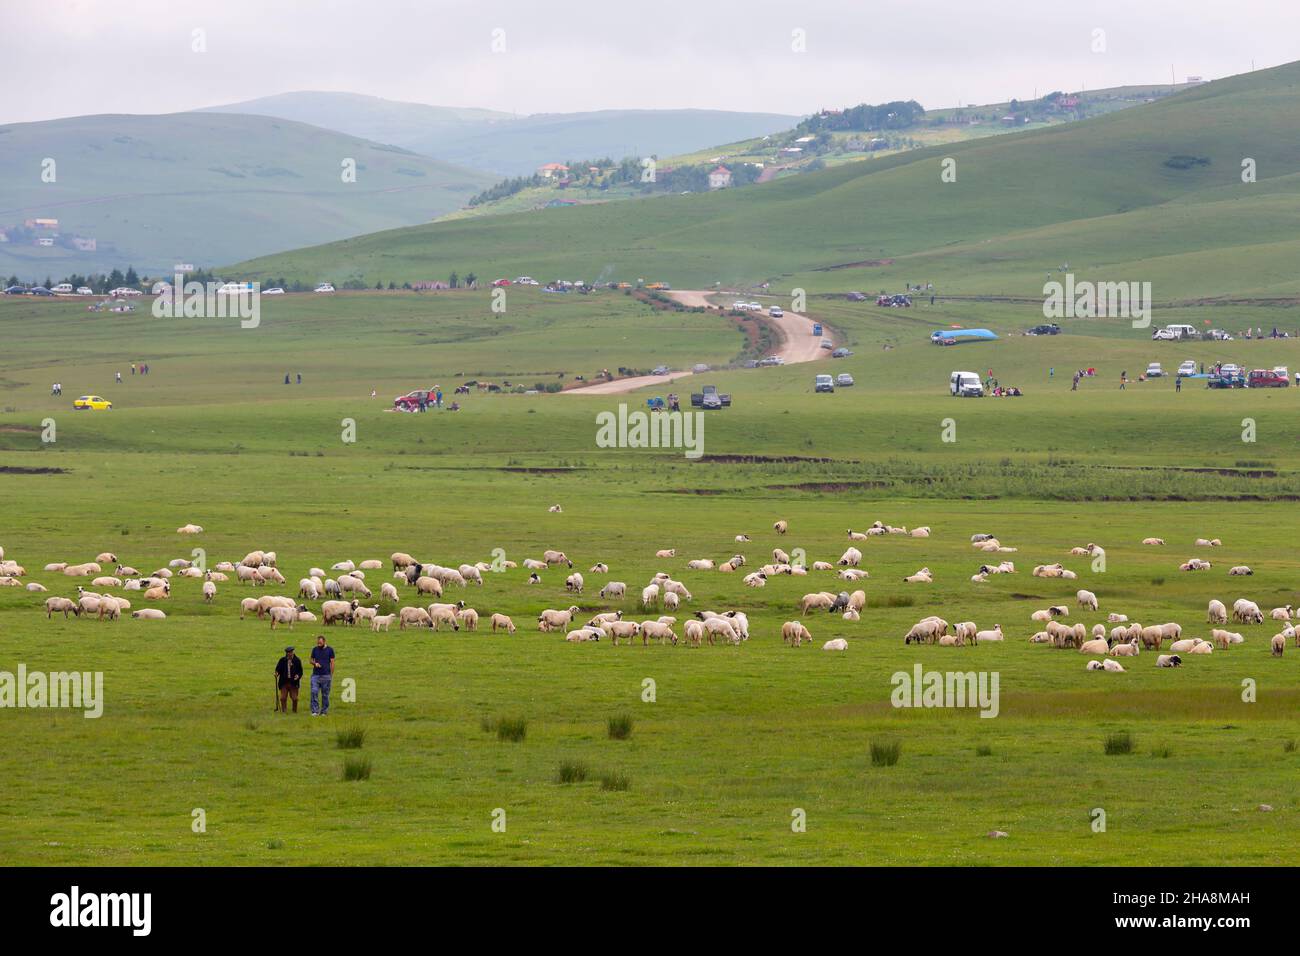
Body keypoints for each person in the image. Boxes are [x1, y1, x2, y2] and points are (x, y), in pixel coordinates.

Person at [309, 635, 335, 717]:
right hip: (315, 675)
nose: (318, 644)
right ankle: (315, 711)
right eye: (318, 643)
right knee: (314, 691)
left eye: (320, 643)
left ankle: (324, 711)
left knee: (325, 695)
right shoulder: (315, 649)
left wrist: (331, 675)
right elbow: (310, 660)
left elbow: (332, 663)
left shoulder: (330, 650)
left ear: (324, 641)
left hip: (326, 676)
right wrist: (315, 663)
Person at [275, 645, 304, 713]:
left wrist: (298, 676)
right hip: (284, 682)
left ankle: (294, 711)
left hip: (293, 683)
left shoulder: (297, 660)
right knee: (283, 698)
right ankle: (284, 711)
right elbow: (278, 669)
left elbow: (300, 671)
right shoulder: (282, 660)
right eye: (287, 653)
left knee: (294, 698)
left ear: (293, 652)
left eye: (290, 652)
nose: (289, 654)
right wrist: (276, 673)